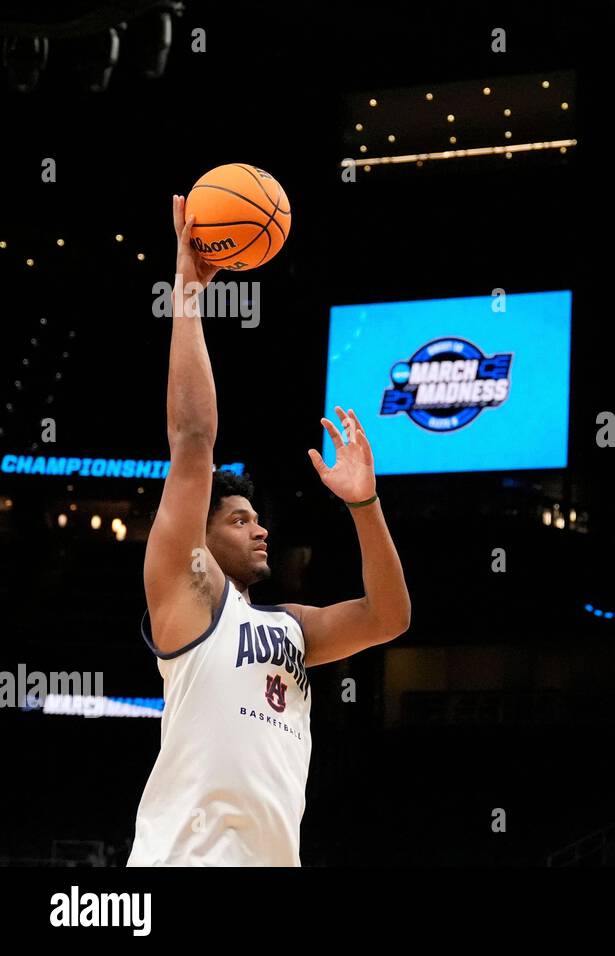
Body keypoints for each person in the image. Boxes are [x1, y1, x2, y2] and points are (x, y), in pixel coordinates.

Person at [126, 195, 412, 866]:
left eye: (260, 521)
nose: (260, 533)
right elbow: (193, 440)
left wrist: (365, 506)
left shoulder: (294, 628)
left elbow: (391, 617)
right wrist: (188, 294)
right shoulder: (186, 595)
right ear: (199, 535)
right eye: (238, 520)